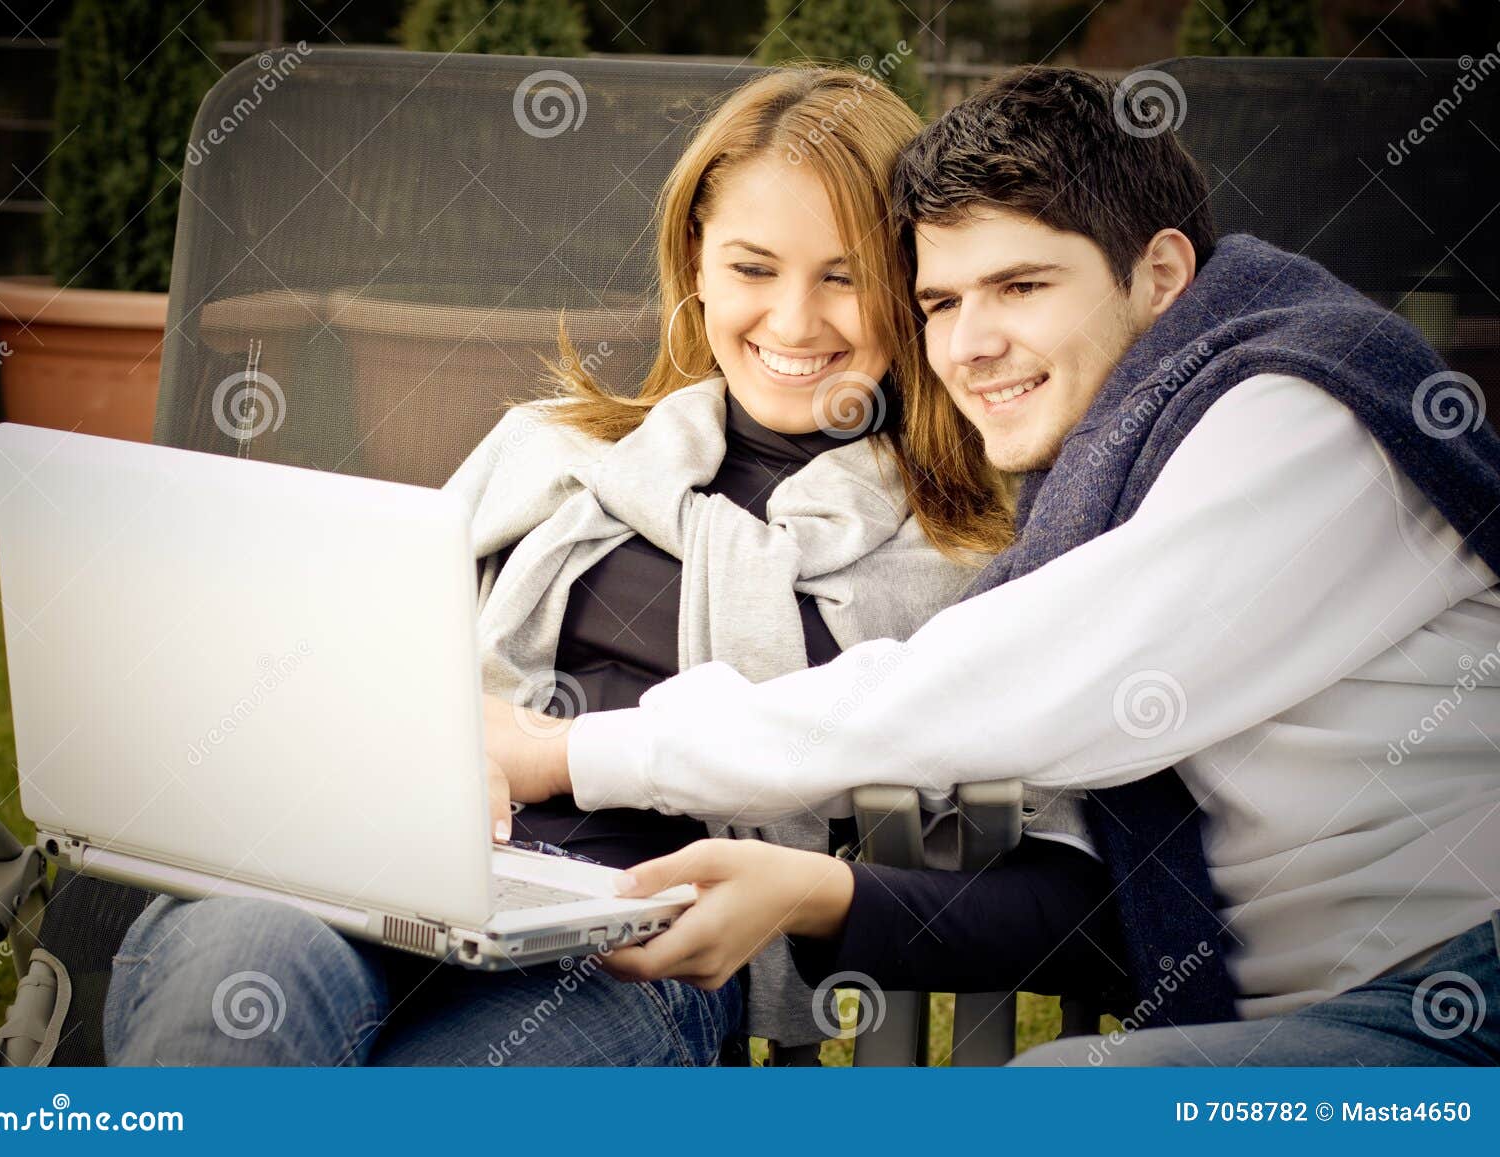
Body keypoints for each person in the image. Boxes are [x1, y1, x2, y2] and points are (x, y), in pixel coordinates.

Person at [487, 65, 1500, 1066]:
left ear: (1158, 277)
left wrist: (568, 751)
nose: (969, 344)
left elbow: (986, 686)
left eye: (1020, 285)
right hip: (1309, 1017)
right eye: (940, 300)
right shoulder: (1125, 472)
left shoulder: (1291, 418)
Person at [104, 65, 1098, 1067]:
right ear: (695, 263)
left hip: (630, 939)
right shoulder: (548, 450)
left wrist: (801, 890)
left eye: (843, 276)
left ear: (909, 283)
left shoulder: (963, 556)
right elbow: (339, 665)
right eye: (753, 268)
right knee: (238, 983)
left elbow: (1062, 881)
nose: (795, 323)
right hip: (375, 865)